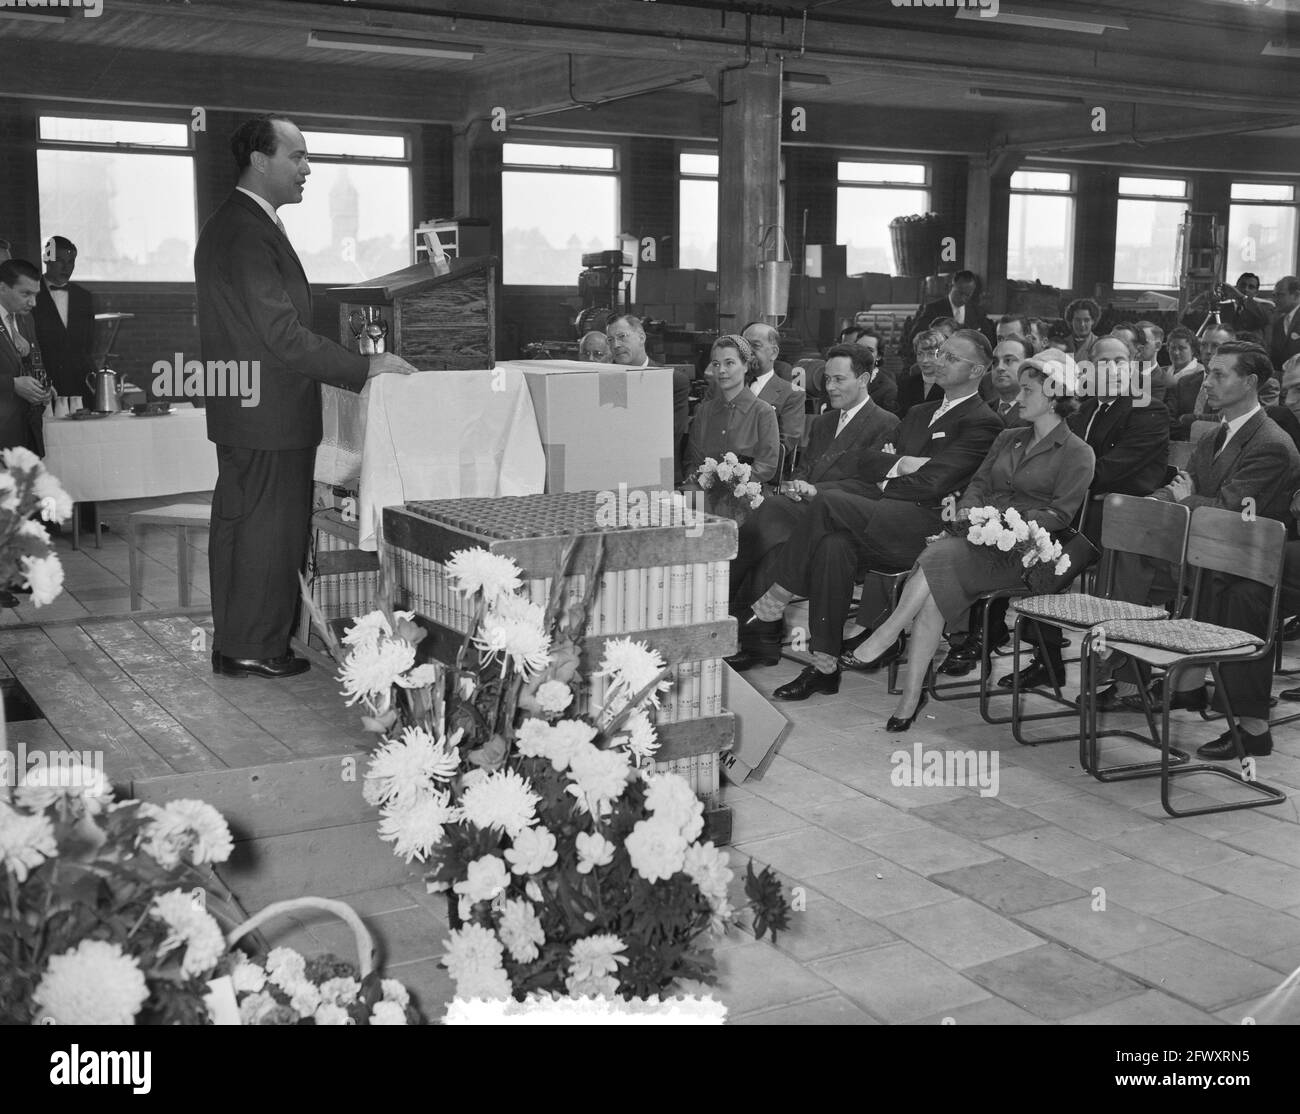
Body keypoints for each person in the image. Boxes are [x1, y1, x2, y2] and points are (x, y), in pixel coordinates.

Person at [196, 114, 417, 680]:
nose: (307, 168)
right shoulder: (246, 231)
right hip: (267, 416)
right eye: (296, 156)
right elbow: (282, 334)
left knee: (247, 528)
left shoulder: (239, 224)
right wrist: (363, 366)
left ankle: (242, 641)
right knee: (267, 534)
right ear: (259, 160)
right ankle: (255, 647)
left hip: (251, 413)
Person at [747, 329, 1003, 701]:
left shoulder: (983, 422)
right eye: (939, 353)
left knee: (827, 503)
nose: (938, 361)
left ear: (978, 370)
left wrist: (890, 471)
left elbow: (934, 483)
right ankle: (824, 667)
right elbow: (866, 462)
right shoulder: (918, 413)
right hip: (883, 520)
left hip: (925, 530)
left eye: (951, 358)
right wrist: (904, 465)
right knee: (833, 546)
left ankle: (781, 589)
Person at [848, 355, 1093, 731]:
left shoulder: (1078, 453)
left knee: (937, 561)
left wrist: (1006, 525)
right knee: (934, 591)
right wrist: (973, 516)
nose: (1018, 395)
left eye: (1028, 390)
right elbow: (978, 485)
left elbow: (1060, 515)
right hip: (978, 539)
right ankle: (910, 695)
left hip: (1024, 553)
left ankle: (890, 633)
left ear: (1055, 395)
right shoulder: (1009, 437)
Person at [1108, 343, 1300, 755]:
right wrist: (1161, 502)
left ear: (1249, 383)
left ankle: (1251, 727)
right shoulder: (1215, 434)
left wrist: (1184, 500)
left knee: (1237, 594)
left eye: (1219, 375)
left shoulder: (1272, 444)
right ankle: (1177, 681)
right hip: (1211, 551)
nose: (1207, 383)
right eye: (1208, 372)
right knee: (1145, 557)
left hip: (1259, 563)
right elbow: (1184, 485)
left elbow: (1230, 511)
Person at [726, 344, 898, 670]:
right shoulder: (824, 421)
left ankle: (724, 602)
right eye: (827, 379)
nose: (829, 387)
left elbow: (871, 486)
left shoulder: (886, 423)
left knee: (764, 519)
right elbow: (804, 469)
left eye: (838, 380)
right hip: (802, 510)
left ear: (863, 379)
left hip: (841, 516)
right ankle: (760, 642)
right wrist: (798, 484)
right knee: (772, 549)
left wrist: (815, 490)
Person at [682, 334, 780, 493]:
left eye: (729, 363)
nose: (721, 370)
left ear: (746, 365)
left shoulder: (763, 412)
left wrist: (731, 484)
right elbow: (693, 461)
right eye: (716, 364)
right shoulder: (704, 411)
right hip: (705, 494)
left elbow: (766, 467)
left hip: (746, 497)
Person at [609, 312, 691, 483]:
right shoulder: (601, 381)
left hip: (658, 476)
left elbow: (670, 435)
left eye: (622, 337)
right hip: (613, 474)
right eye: (610, 340)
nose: (616, 345)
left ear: (641, 337)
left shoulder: (673, 381)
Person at [33, 236, 96, 407]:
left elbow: (89, 345)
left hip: (79, 384)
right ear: (46, 259)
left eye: (71, 261)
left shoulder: (84, 297)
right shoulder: (31, 292)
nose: (66, 267)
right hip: (44, 384)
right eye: (60, 260)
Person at [0, 258, 52, 455]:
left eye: (35, 294)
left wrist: (43, 386)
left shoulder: (25, 318)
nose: (33, 302)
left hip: (28, 435)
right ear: (2, 288)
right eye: (26, 294)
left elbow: (35, 361)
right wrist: (12, 384)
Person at [742, 322, 805, 463]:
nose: (748, 352)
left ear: (774, 353)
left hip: (760, 473)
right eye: (744, 346)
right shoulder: (728, 385)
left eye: (755, 346)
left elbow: (783, 445)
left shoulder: (792, 394)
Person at [906, 270, 993, 347]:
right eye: (959, 293)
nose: (963, 298)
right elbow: (916, 338)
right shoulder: (932, 309)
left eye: (967, 295)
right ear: (950, 287)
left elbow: (988, 341)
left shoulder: (977, 311)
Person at [989, 334, 1031, 427]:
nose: (999, 367)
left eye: (1008, 360)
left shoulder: (1040, 414)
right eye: (994, 362)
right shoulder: (982, 411)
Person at [1268, 276, 1300, 371]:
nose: (1275, 300)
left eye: (1280, 295)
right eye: (1274, 295)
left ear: (1296, 295)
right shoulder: (1278, 322)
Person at [1064, 297, 1101, 362]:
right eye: (1078, 320)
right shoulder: (1062, 345)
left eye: (1086, 320)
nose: (1082, 324)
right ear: (1071, 321)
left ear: (1093, 321)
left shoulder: (1101, 346)